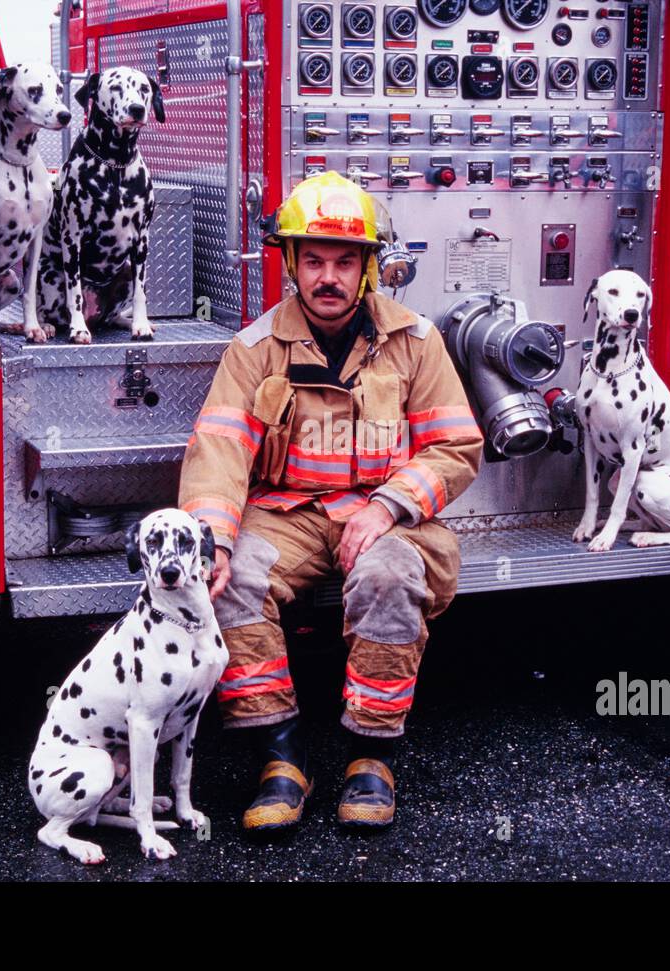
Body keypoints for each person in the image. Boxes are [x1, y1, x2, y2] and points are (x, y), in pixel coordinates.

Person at [177, 171, 484, 832]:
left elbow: (456, 446)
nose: (328, 277)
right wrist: (215, 540)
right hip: (286, 514)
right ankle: (281, 754)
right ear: (290, 262)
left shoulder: (416, 343)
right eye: (313, 260)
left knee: (390, 574)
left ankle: (372, 755)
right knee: (230, 582)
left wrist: (390, 506)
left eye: (345, 261)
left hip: (387, 516)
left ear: (368, 268)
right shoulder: (255, 350)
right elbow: (220, 448)